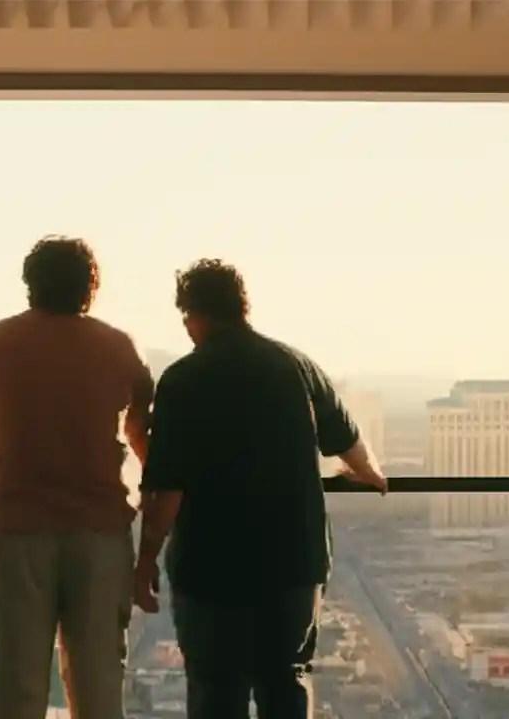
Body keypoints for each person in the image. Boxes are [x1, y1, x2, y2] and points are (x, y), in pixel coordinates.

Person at [134, 259, 388, 719]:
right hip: (293, 563)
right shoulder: (296, 366)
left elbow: (167, 487)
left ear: (194, 314)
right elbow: (350, 444)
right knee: (286, 681)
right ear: (242, 307)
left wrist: (146, 557)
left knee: (215, 691)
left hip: (211, 569)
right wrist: (371, 474)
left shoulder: (182, 380)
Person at [0, 235, 154, 719]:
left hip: (18, 528)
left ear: (30, 284)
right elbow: (143, 433)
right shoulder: (119, 346)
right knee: (98, 681)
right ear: (90, 287)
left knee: (17, 680)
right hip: (101, 529)